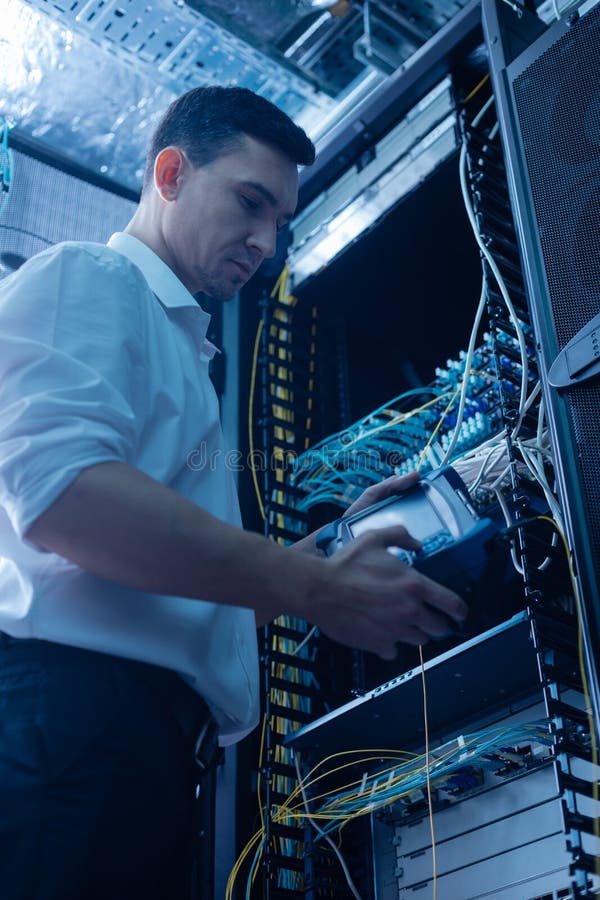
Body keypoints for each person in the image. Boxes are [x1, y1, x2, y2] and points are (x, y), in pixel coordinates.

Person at [0, 86, 467, 899]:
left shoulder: (182, 348)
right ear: (171, 173)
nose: (265, 243)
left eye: (280, 222)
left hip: (139, 755)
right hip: (70, 729)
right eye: (250, 203)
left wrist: (329, 550)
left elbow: (179, 595)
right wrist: (315, 585)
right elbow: (60, 494)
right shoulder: (90, 278)